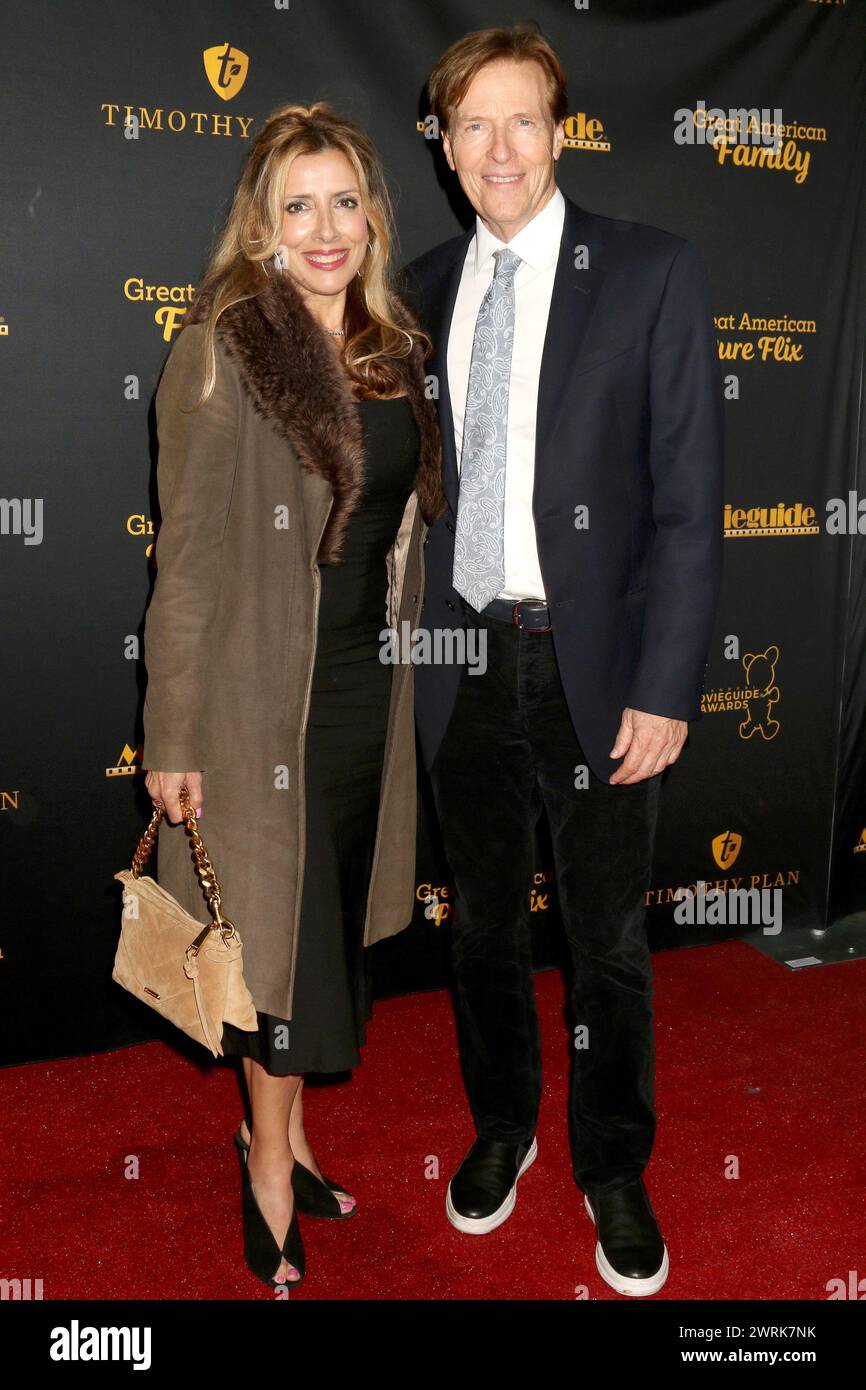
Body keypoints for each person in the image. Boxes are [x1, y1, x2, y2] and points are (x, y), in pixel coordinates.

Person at [401, 25, 724, 1297]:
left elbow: (691, 504)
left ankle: (611, 1166)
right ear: (442, 144)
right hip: (458, 661)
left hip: (593, 669)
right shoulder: (416, 285)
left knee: (603, 945)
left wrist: (663, 683)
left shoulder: (648, 272)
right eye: (469, 124)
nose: (497, 148)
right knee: (480, 927)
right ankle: (501, 1126)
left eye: (521, 119)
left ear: (560, 128)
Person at [141, 101, 445, 1289]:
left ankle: (296, 1132)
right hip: (259, 707)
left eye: (344, 201)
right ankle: (265, 1161)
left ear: (372, 213)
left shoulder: (391, 350)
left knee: (325, 944)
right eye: (296, 207)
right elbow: (188, 561)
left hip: (369, 697)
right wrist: (170, 733)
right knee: (276, 953)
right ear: (262, 228)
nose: (325, 229)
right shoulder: (224, 346)